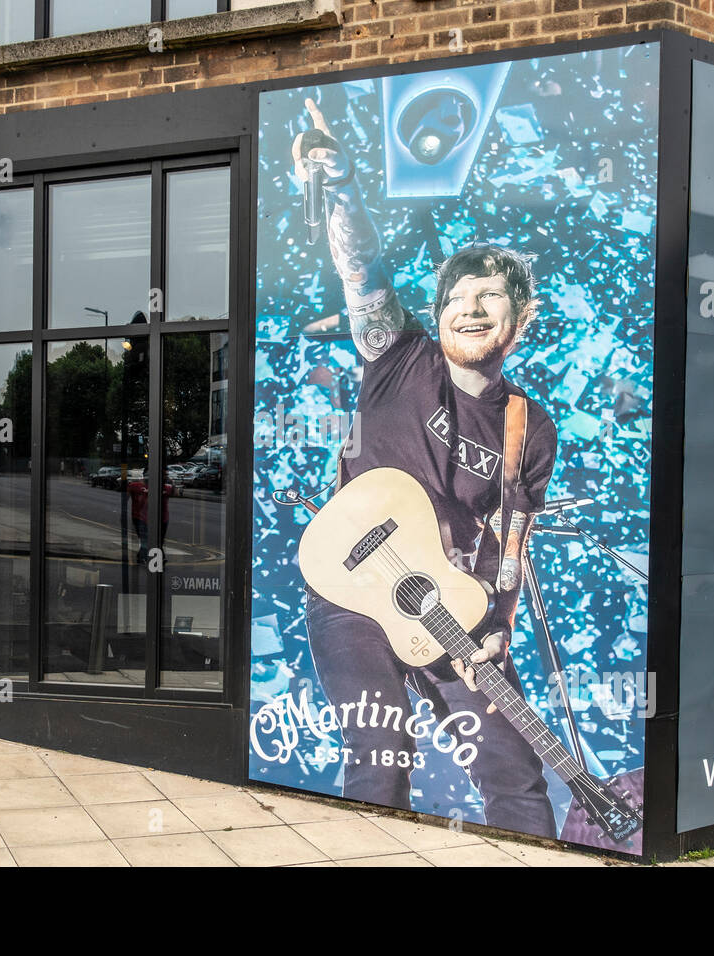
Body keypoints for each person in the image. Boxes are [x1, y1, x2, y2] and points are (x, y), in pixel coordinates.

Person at [292, 99, 561, 835]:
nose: (470, 308)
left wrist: (498, 624)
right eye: (458, 297)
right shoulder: (396, 356)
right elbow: (360, 267)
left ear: (521, 318)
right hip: (350, 587)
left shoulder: (528, 427)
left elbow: (512, 542)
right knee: (381, 756)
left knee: (516, 769)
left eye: (490, 298)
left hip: (444, 604)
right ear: (436, 313)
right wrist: (341, 186)